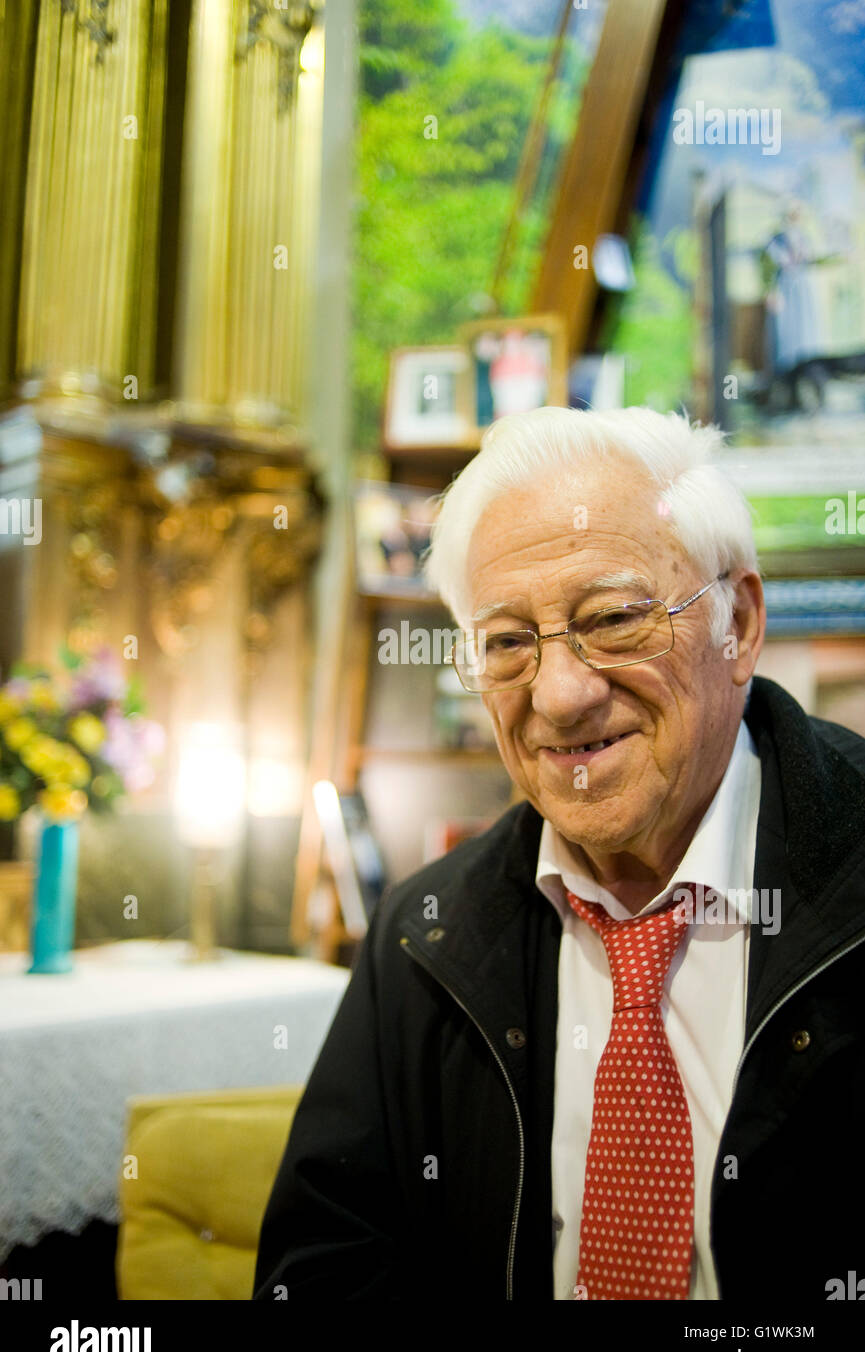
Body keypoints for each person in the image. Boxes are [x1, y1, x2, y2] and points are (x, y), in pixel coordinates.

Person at [254, 406, 865, 1301]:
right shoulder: (423, 933)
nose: (562, 694)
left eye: (613, 619)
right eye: (506, 642)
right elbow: (322, 1265)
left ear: (736, 620)